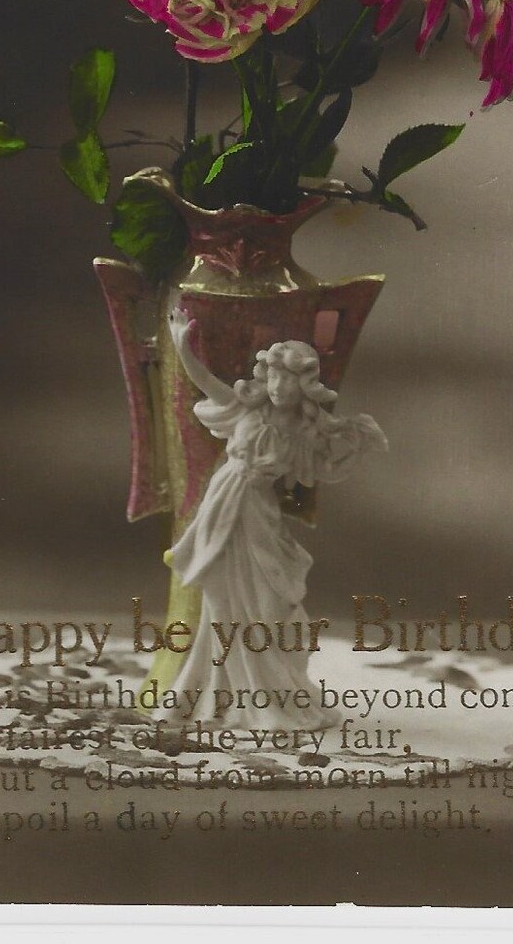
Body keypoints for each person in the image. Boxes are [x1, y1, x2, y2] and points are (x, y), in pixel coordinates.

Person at [165, 307, 388, 729]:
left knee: (269, 605)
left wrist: (358, 438)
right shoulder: (247, 412)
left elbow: (324, 462)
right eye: (273, 377)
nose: (278, 386)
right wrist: (183, 347)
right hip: (226, 503)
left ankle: (271, 695)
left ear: (303, 384)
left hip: (259, 512)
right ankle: (222, 696)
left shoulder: (305, 431)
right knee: (223, 601)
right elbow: (207, 385)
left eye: (287, 378)